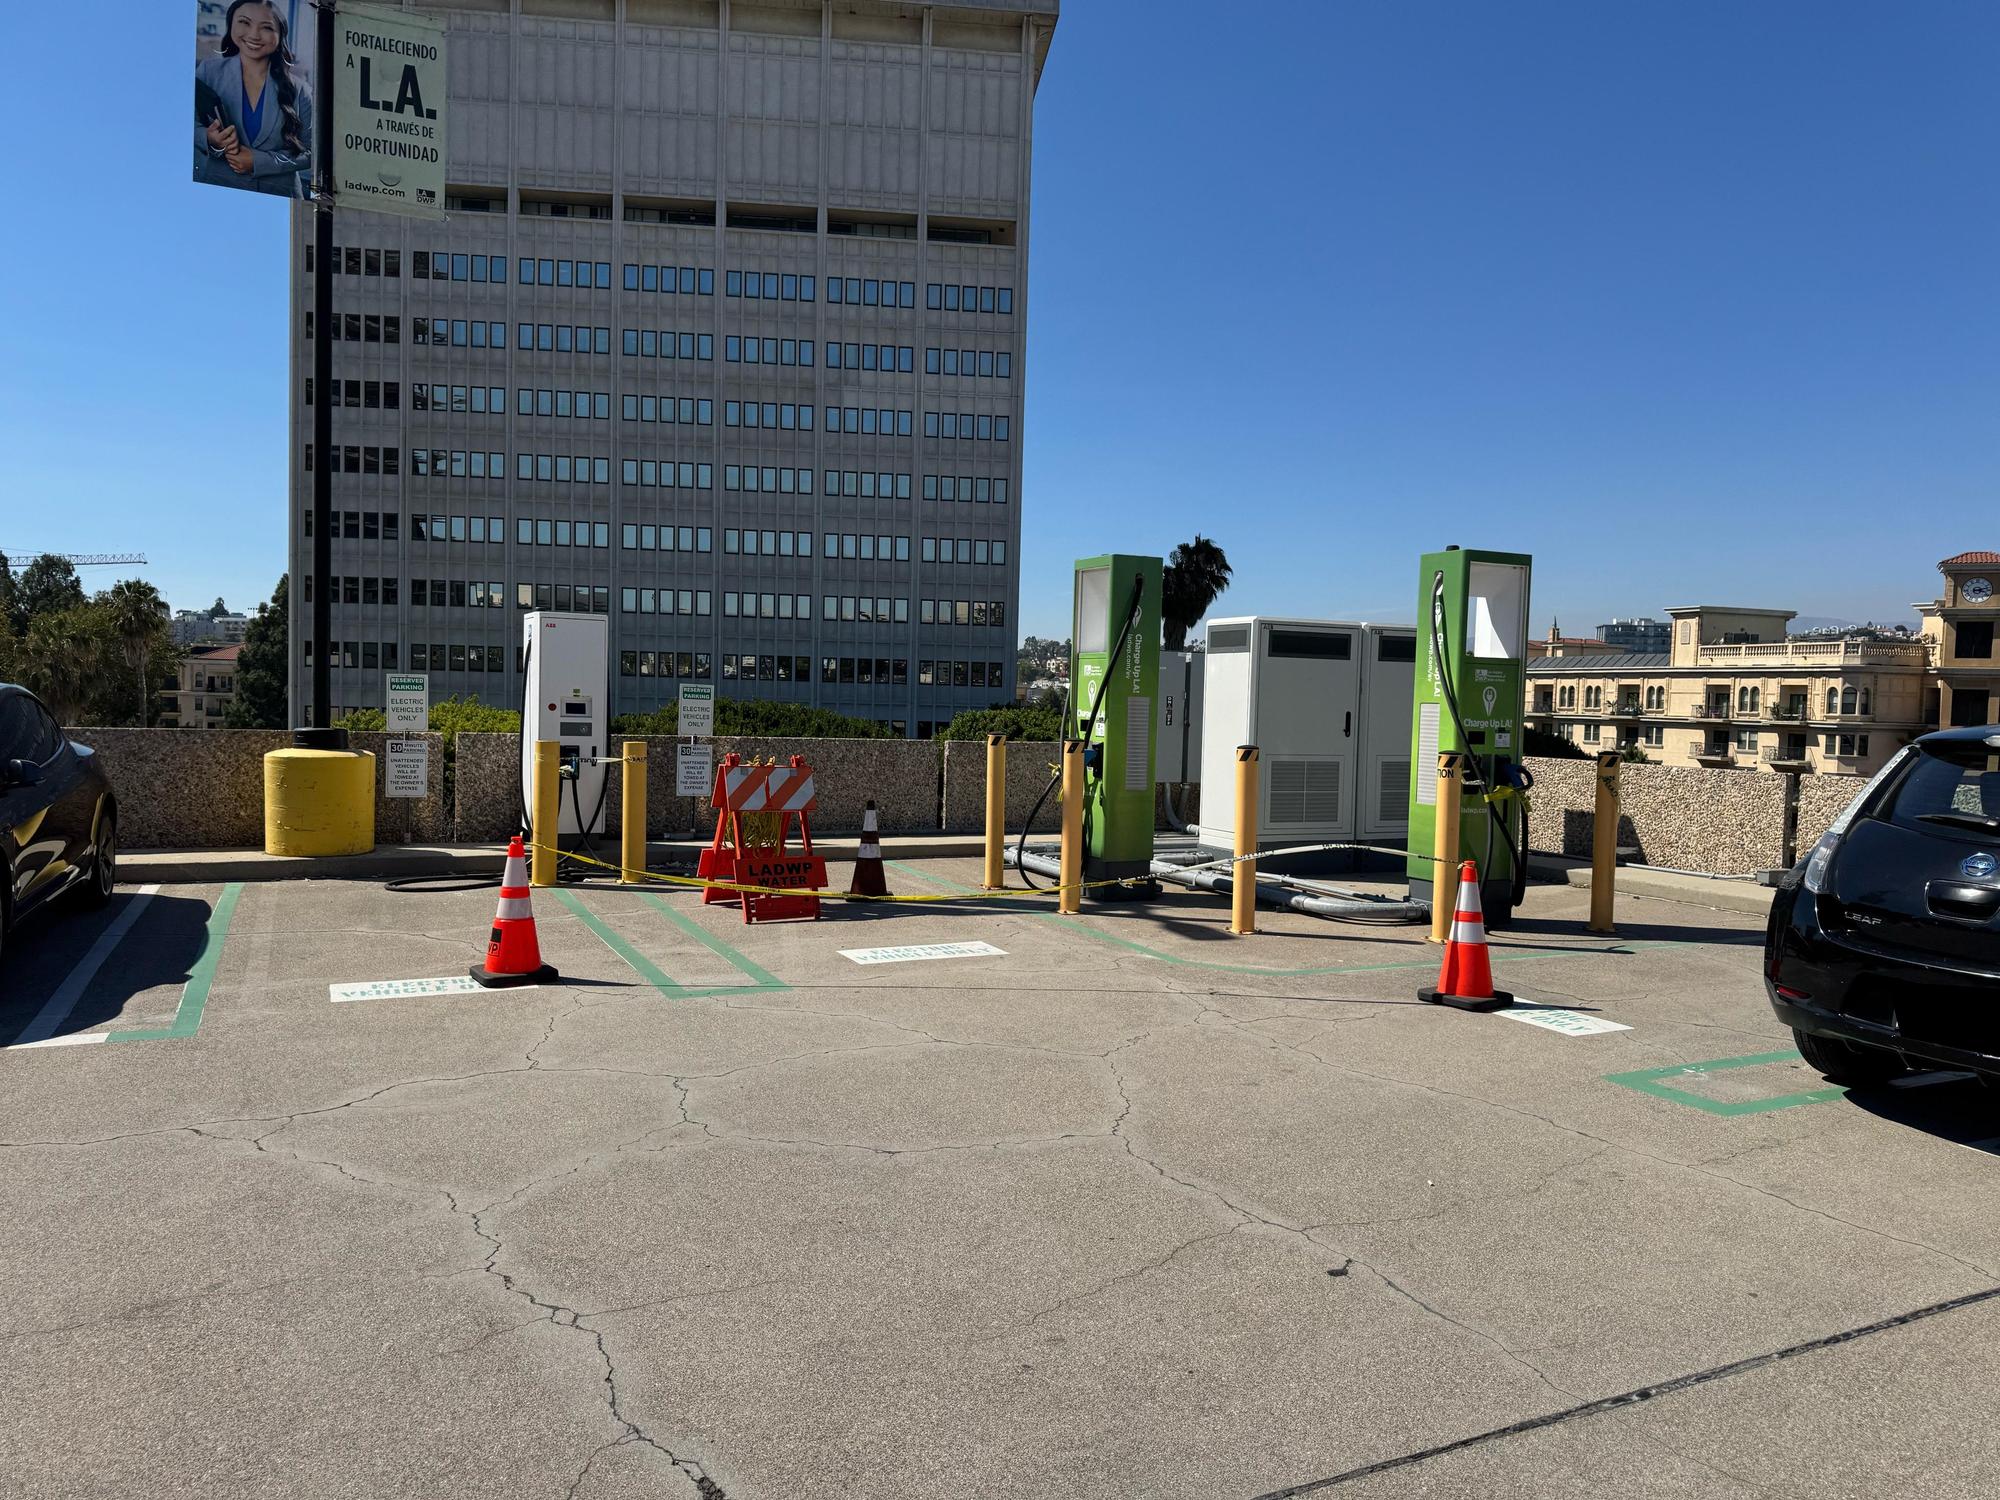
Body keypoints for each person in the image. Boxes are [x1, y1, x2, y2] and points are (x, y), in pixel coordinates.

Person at [194, 0, 311, 197]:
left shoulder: (300, 90)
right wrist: (209, 138)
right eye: (244, 22)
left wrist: (258, 161)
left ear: (280, 35)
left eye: (266, 27)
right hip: (217, 191)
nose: (254, 35)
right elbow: (185, 126)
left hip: (280, 199)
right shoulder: (208, 72)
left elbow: (312, 153)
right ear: (231, 24)